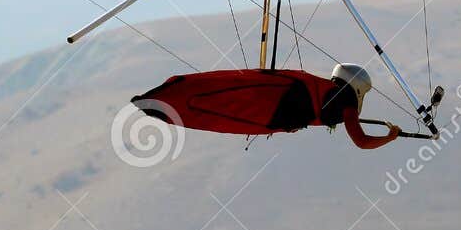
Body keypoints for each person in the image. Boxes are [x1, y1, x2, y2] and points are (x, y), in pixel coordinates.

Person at [131, 62, 403, 150]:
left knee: (218, 96)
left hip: (274, 97)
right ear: (357, 88)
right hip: (272, 111)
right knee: (221, 112)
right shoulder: (345, 103)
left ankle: (163, 100)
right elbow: (361, 141)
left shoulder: (326, 88)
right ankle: (162, 104)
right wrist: (389, 137)